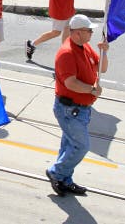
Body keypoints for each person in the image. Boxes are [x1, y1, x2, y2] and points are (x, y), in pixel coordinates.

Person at [45, 14, 109, 196]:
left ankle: (65, 180)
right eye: (89, 31)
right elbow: (70, 83)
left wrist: (104, 52)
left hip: (80, 110)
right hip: (69, 109)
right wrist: (91, 90)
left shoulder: (85, 47)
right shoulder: (67, 53)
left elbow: (102, 68)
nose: (91, 34)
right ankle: (56, 173)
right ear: (77, 33)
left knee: (69, 146)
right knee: (81, 146)